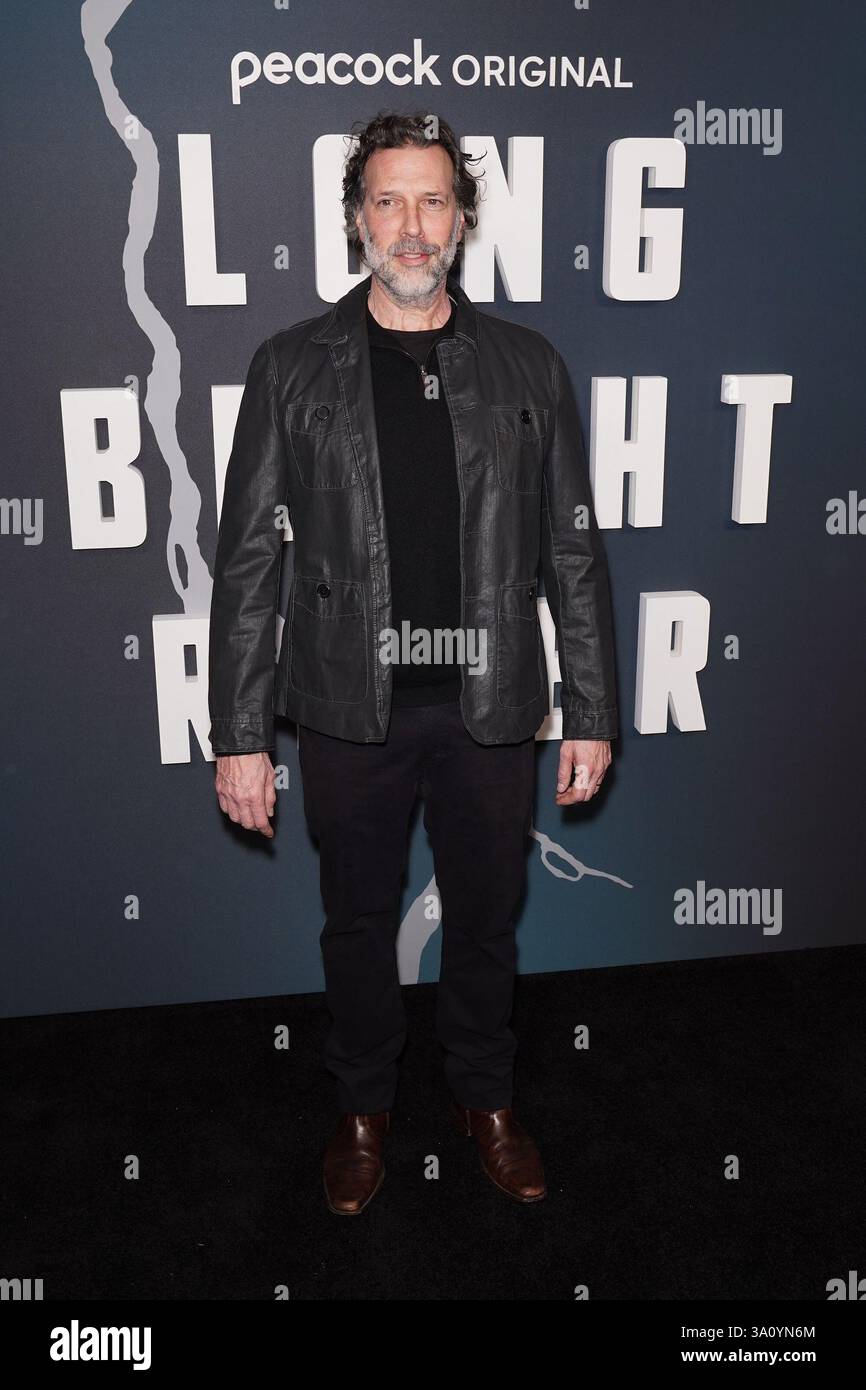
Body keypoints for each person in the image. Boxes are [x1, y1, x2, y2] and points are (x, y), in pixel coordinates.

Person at [208, 110, 619, 1215]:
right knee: (354, 919)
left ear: (461, 218)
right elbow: (247, 561)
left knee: (486, 917)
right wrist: (240, 734)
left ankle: (486, 1098)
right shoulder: (291, 367)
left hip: (488, 705)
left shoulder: (527, 366)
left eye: (431, 199)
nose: (410, 223)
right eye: (386, 199)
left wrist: (591, 707)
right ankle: (360, 1108)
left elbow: (570, 548)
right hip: (350, 709)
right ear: (355, 220)